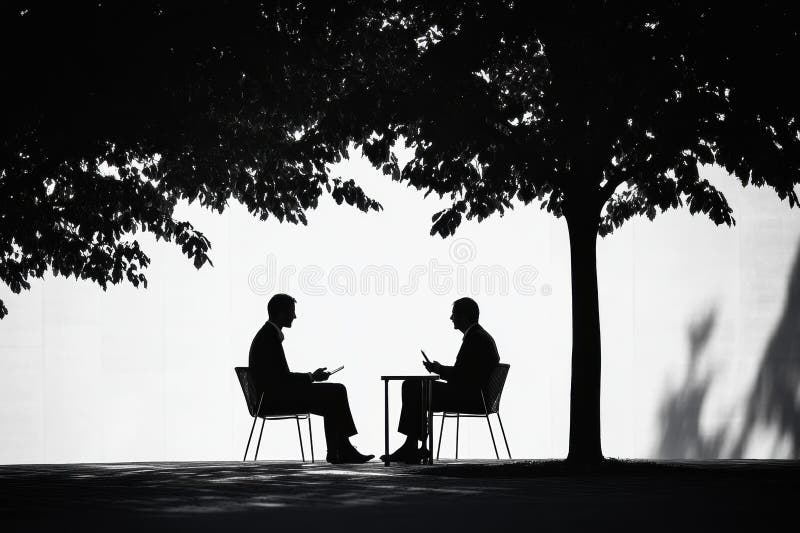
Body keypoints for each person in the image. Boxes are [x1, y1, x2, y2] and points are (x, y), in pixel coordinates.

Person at [249, 293, 373, 464]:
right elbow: (282, 379)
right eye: (291, 312)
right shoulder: (268, 338)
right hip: (275, 400)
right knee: (336, 392)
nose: (294, 316)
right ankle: (341, 449)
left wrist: (311, 377)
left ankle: (339, 450)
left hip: (273, 396)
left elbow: (279, 379)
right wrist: (312, 377)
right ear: (281, 313)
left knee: (333, 395)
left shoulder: (267, 335)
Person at [382, 297, 500, 463]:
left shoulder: (475, 338)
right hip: (475, 395)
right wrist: (439, 369)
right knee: (417, 388)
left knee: (412, 386)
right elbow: (466, 373)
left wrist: (439, 369)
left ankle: (411, 445)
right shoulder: (480, 336)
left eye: (454, 314)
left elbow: (461, 376)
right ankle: (413, 445)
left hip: (470, 398)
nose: (451, 318)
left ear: (464, 316)